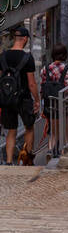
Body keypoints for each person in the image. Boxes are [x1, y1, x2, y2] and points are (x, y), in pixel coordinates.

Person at [0, 26, 38, 166]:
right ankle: (27, 159)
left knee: (11, 130)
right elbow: (32, 84)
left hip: (7, 99)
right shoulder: (28, 58)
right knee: (29, 127)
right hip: (24, 98)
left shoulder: (3, 56)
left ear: (15, 38)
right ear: (26, 39)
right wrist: (37, 100)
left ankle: (9, 162)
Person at [40, 42, 68, 159]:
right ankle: (64, 153)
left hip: (49, 104)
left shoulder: (45, 69)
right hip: (63, 104)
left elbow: (43, 86)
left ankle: (50, 150)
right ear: (64, 55)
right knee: (63, 131)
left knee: (53, 132)